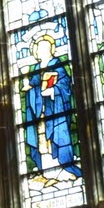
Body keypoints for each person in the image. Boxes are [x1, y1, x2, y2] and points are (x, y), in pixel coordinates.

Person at [23, 31, 81, 182]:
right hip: (38, 111)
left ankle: (61, 169)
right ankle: (46, 172)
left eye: (46, 48)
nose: (43, 51)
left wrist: (53, 90)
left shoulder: (57, 65)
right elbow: (33, 84)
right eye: (40, 48)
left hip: (55, 109)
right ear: (36, 51)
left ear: (51, 50)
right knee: (41, 140)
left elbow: (65, 84)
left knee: (55, 137)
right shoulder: (35, 67)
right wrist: (28, 85)